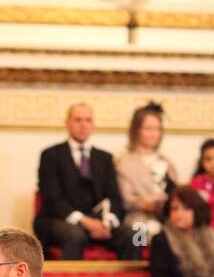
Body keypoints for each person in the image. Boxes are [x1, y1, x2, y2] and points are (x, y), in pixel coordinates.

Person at [34, 102, 138, 260]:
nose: (83, 125)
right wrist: (84, 222)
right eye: (78, 120)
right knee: (75, 236)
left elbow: (114, 197)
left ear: (93, 125)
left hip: (98, 221)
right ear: (67, 123)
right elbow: (51, 199)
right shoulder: (51, 155)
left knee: (135, 236)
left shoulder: (105, 158)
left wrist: (107, 223)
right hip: (58, 219)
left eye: (88, 120)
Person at [115, 101, 178, 244]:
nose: (153, 134)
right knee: (143, 237)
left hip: (166, 217)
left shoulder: (166, 161)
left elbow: (176, 192)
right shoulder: (124, 162)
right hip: (137, 219)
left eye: (157, 129)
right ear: (136, 130)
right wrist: (145, 202)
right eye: (148, 129)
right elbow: (125, 199)